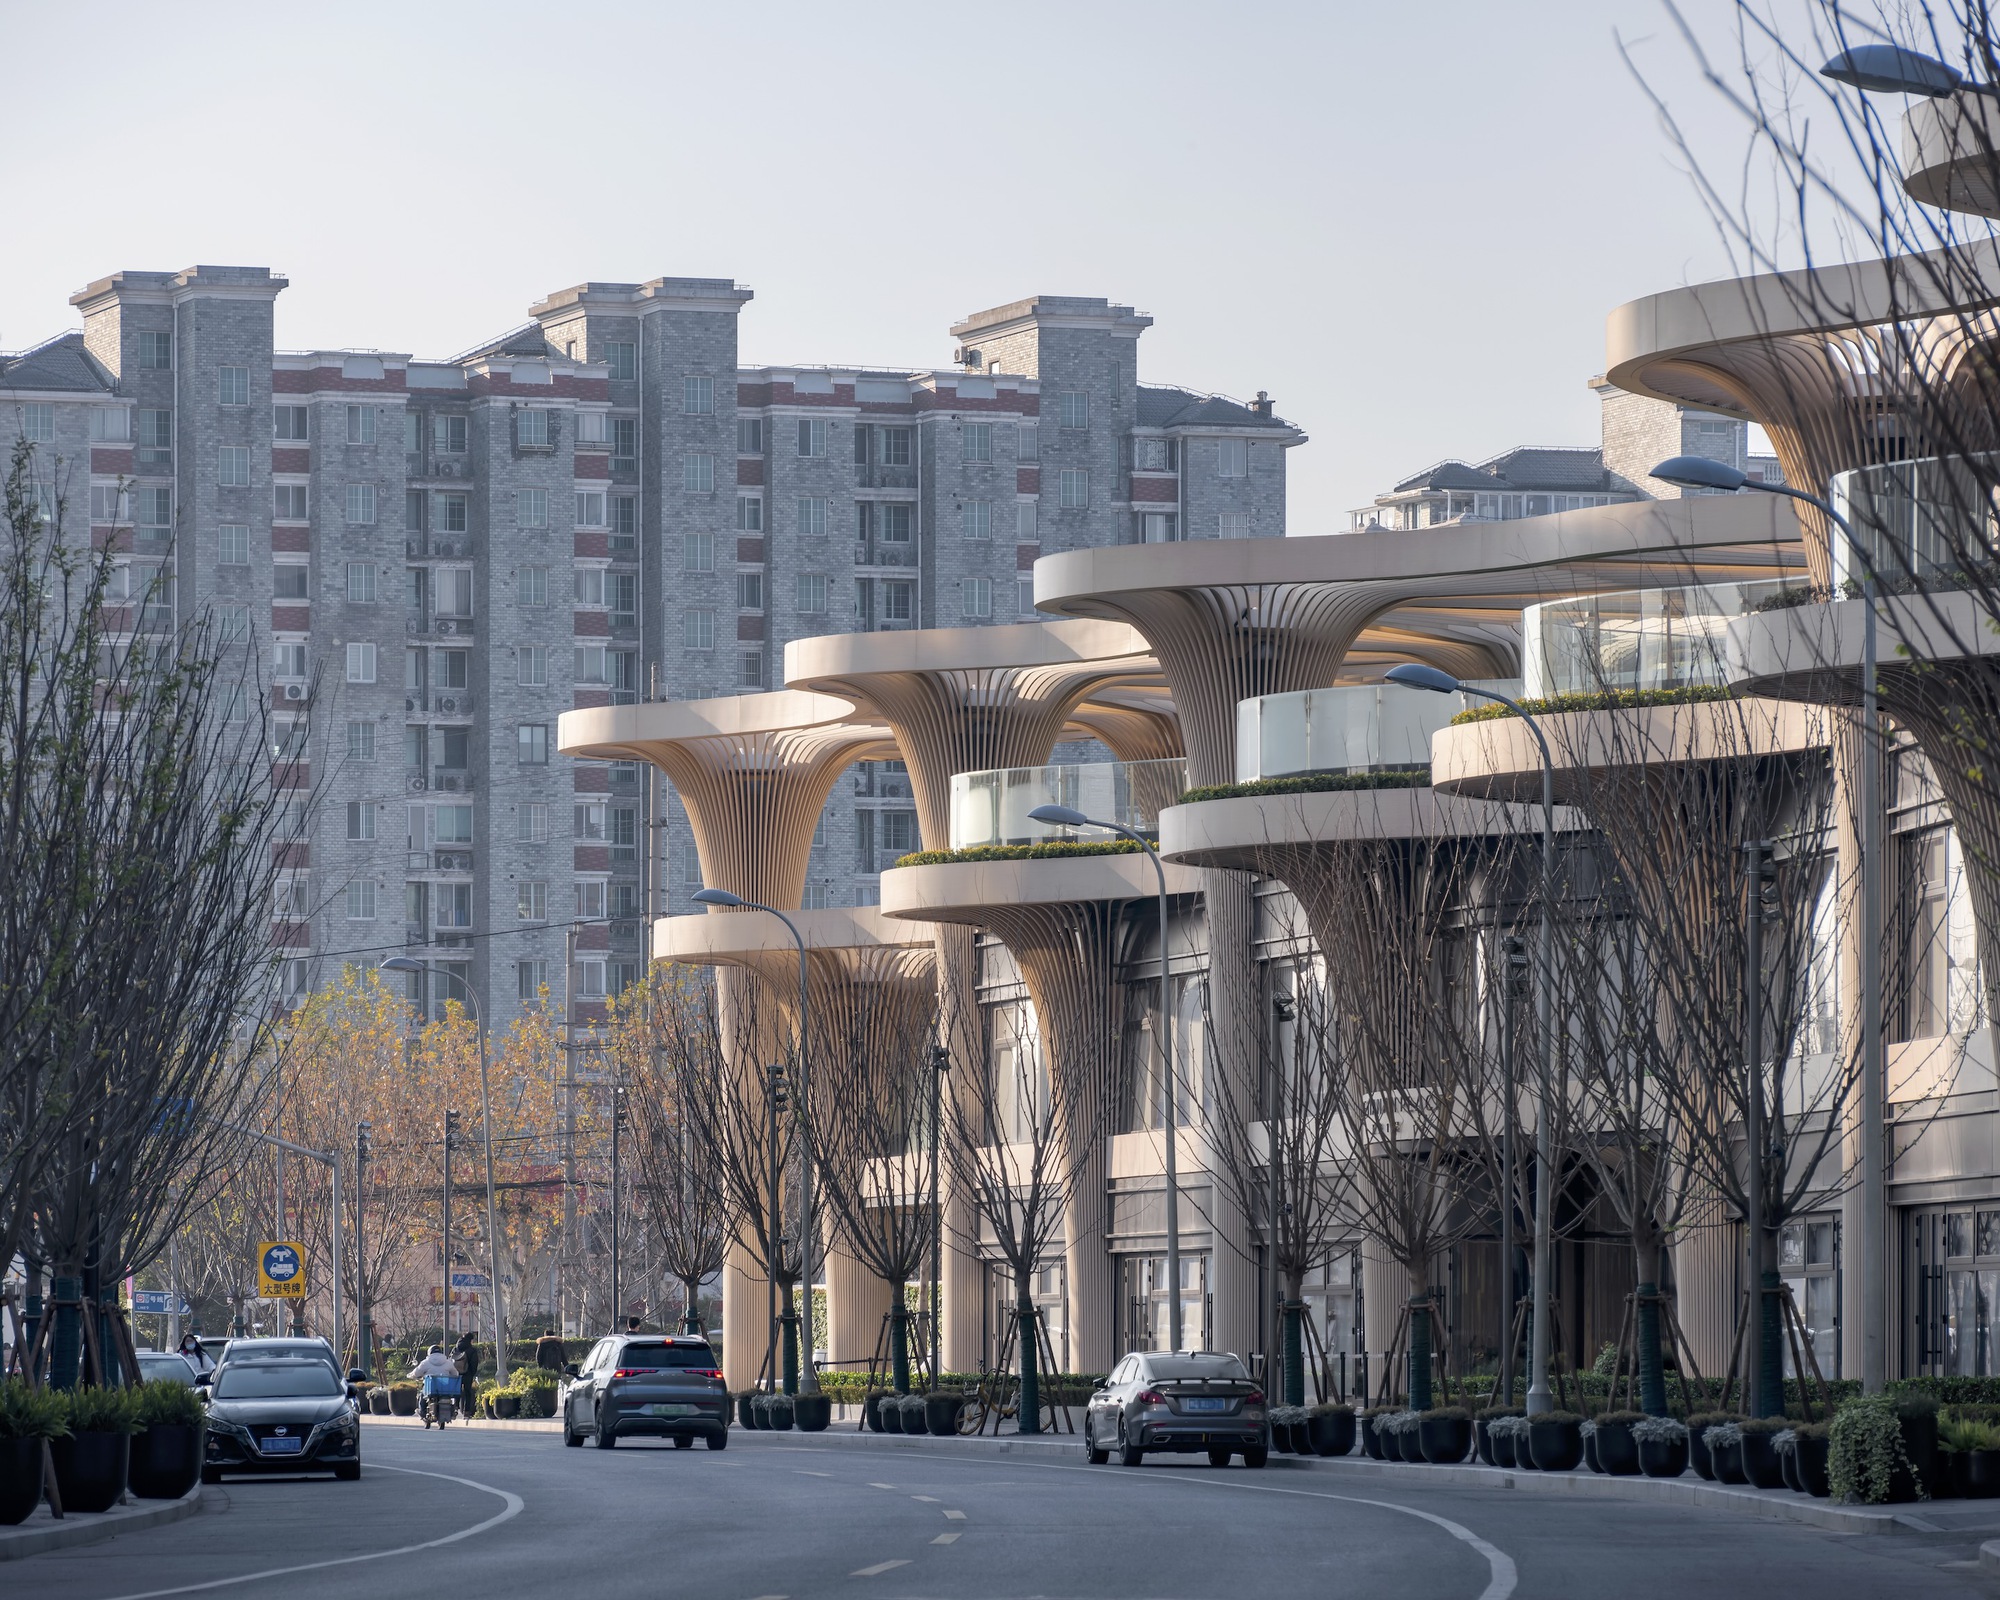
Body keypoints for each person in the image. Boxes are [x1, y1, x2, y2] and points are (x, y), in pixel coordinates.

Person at [410, 1344, 458, 1426]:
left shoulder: (425, 1362)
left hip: (431, 1389)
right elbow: (455, 1374)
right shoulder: (448, 1362)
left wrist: (411, 1375)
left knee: (422, 1396)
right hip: (445, 1388)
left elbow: (416, 1373)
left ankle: (423, 1413)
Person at [453, 1331, 479, 1422]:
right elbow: (474, 1363)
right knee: (467, 1392)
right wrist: (472, 1373)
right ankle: (466, 1412)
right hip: (467, 1374)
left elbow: (451, 1359)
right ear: (471, 1340)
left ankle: (455, 1408)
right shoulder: (472, 1350)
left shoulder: (456, 1348)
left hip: (456, 1373)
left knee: (456, 1391)